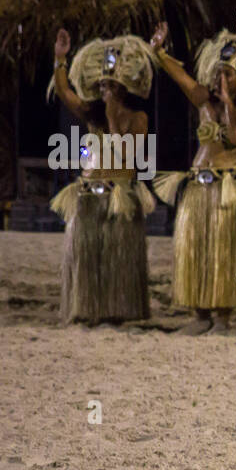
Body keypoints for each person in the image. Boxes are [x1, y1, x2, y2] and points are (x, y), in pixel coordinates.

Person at [149, 25, 236, 334]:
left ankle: (222, 317)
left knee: (225, 252)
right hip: (199, 188)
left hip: (229, 189)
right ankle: (200, 315)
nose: (221, 80)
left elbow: (234, 138)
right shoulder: (203, 102)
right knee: (196, 250)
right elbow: (182, 78)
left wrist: (228, 103)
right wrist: (160, 52)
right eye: (218, 74)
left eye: (228, 75)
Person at [48, 30, 156, 324]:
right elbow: (63, 92)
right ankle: (86, 308)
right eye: (104, 84)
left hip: (119, 193)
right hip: (89, 190)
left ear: (123, 89)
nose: (107, 89)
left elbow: (126, 153)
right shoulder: (90, 115)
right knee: (89, 254)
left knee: (116, 257)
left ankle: (116, 310)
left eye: (113, 86)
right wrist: (60, 58)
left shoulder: (138, 119)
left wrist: (111, 114)